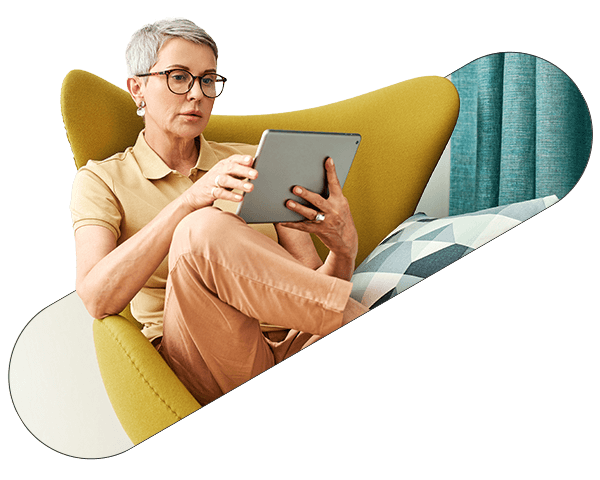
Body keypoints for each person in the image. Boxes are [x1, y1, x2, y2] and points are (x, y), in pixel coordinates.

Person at [70, 17, 368, 405]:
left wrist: (344, 252)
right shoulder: (102, 180)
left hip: (296, 339)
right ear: (137, 88)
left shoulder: (251, 161)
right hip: (204, 361)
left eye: (208, 80)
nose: (196, 94)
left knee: (208, 228)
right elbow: (96, 298)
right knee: (201, 229)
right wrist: (189, 202)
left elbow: (309, 289)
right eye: (179, 77)